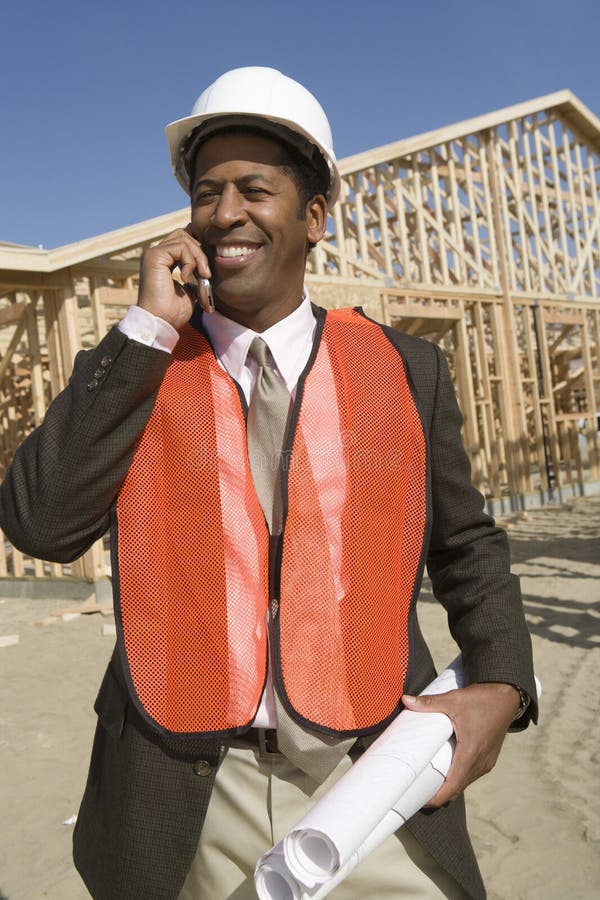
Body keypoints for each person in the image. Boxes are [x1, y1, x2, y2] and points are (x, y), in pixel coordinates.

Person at [0, 67, 537, 900]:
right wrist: (145, 331)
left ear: (314, 217)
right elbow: (40, 525)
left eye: (255, 189)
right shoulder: (139, 368)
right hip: (191, 796)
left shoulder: (404, 371)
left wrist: (502, 681)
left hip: (369, 779)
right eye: (206, 194)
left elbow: (467, 544)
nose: (225, 213)